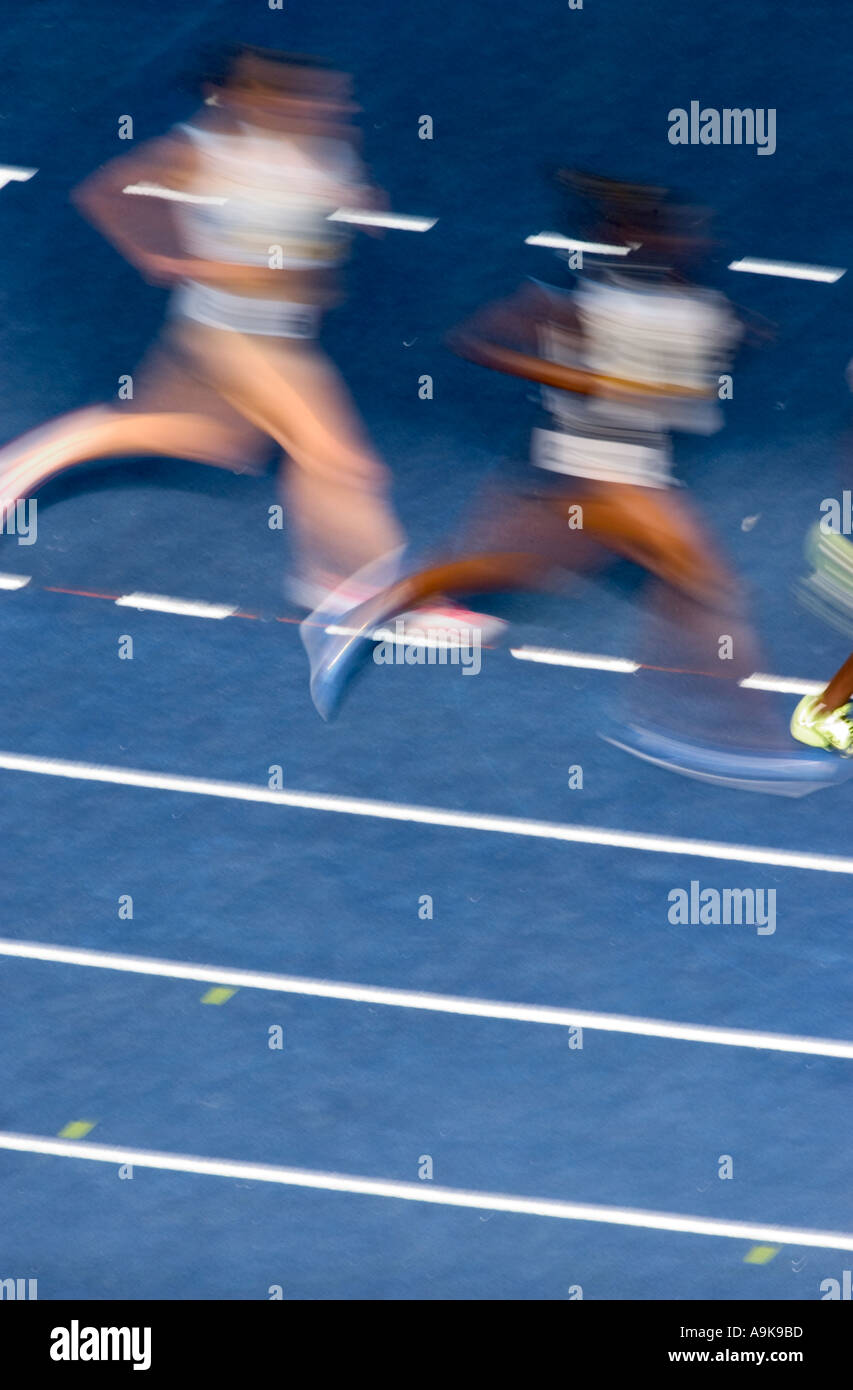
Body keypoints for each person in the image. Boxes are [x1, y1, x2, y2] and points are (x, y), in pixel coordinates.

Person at [0, 43, 473, 626]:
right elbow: (105, 192)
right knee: (339, 460)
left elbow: (322, 244)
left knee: (210, 441)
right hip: (227, 335)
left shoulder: (331, 154)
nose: (330, 105)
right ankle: (382, 597)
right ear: (247, 99)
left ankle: (327, 578)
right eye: (300, 94)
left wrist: (353, 215)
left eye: (328, 96)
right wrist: (168, 258)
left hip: (279, 339)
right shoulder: (202, 150)